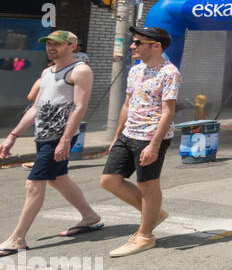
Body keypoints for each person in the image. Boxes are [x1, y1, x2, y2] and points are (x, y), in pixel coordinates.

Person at [0, 31, 99, 256]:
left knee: (34, 184)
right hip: (43, 135)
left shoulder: (80, 70)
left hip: (58, 136)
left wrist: (65, 140)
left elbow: (79, 107)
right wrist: (12, 136)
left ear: (72, 46)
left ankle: (17, 239)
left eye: (57, 44)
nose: (51, 47)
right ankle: (90, 216)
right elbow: (35, 109)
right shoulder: (46, 72)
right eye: (49, 44)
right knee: (58, 179)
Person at [99, 26, 181, 258]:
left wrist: (154, 145)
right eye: (134, 42)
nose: (132, 46)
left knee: (148, 185)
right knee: (109, 181)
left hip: (151, 137)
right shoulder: (136, 70)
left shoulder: (170, 73)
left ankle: (145, 236)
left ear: (156, 46)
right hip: (128, 134)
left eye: (138, 42)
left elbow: (168, 112)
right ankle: (155, 214)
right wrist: (117, 135)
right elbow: (127, 103)